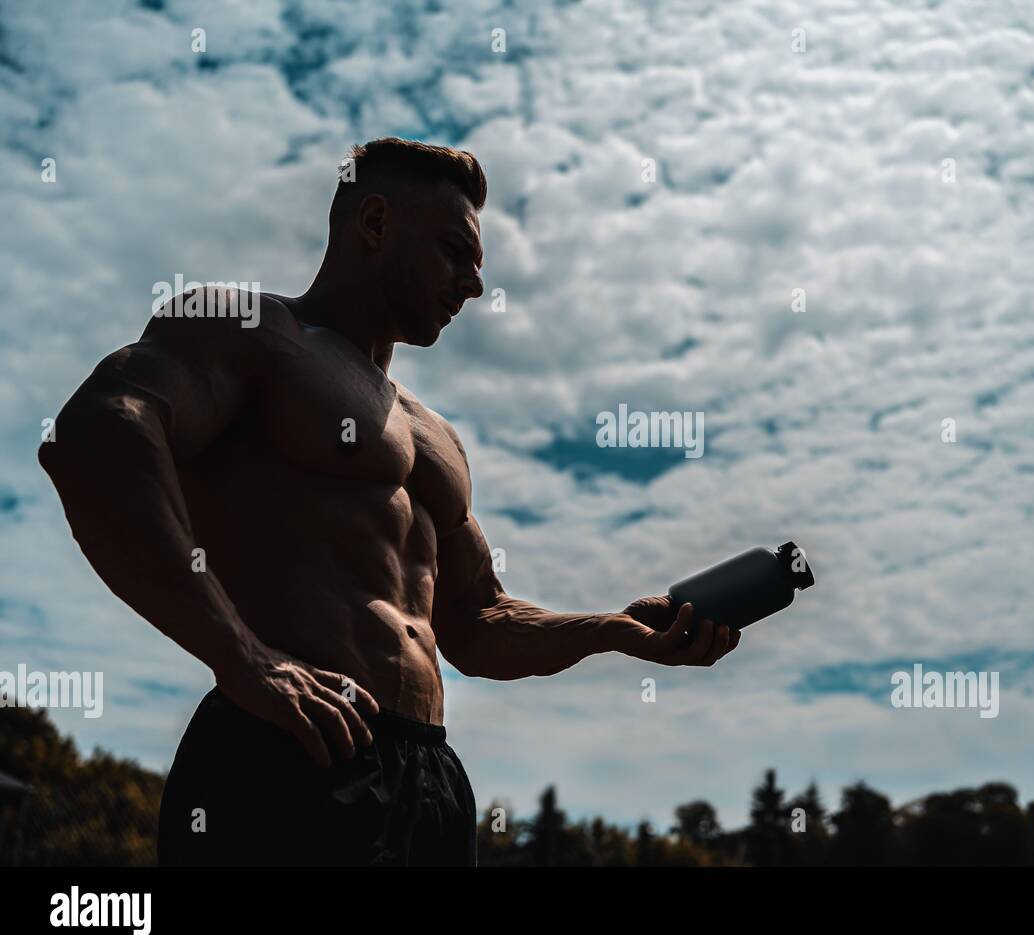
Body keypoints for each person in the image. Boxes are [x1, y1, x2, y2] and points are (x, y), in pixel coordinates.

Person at [38, 138, 741, 866]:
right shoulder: (251, 331)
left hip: (429, 781)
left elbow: (477, 622)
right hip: (290, 749)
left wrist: (616, 629)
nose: (473, 284)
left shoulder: (434, 436)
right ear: (374, 223)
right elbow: (97, 433)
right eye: (454, 252)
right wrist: (242, 658)